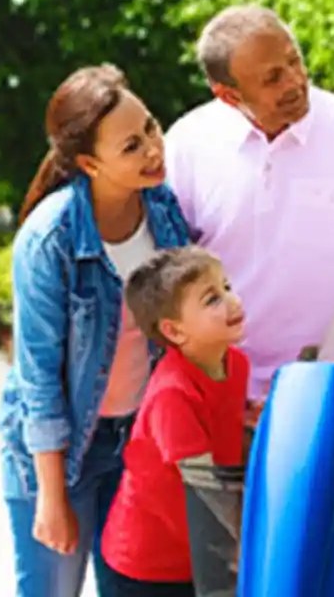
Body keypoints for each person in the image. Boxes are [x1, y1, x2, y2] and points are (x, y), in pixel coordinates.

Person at [164, 5, 334, 399]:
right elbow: (168, 272)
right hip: (213, 389)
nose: (294, 81)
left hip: (329, 390)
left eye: (294, 61)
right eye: (273, 78)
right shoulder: (187, 144)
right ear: (228, 95)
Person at [0, 64, 191, 597]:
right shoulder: (49, 238)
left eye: (151, 128)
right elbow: (37, 375)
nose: (153, 150)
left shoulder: (165, 212)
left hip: (136, 447)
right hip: (61, 454)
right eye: (131, 146)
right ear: (88, 163)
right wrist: (51, 495)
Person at [98, 246, 252, 596]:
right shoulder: (173, 395)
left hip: (196, 550)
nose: (232, 300)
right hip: (147, 563)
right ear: (175, 331)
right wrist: (240, 544)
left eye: (227, 286)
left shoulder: (237, 364)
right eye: (212, 299)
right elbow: (202, 486)